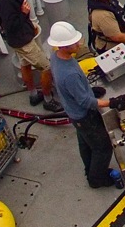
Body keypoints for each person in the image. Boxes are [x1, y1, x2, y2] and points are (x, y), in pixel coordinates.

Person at [48, 20, 120, 189]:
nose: (79, 44)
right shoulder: (70, 74)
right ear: (64, 46)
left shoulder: (56, 58)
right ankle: (96, 179)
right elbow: (86, 102)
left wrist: (86, 89)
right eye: (74, 43)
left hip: (74, 113)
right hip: (84, 116)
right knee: (102, 147)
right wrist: (112, 102)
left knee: (85, 142)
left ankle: (89, 169)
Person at [0, 0, 60, 111]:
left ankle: (33, 94)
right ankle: (48, 100)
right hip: (22, 40)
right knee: (46, 67)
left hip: (18, 39)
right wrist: (24, 12)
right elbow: (11, 24)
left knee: (25, 64)